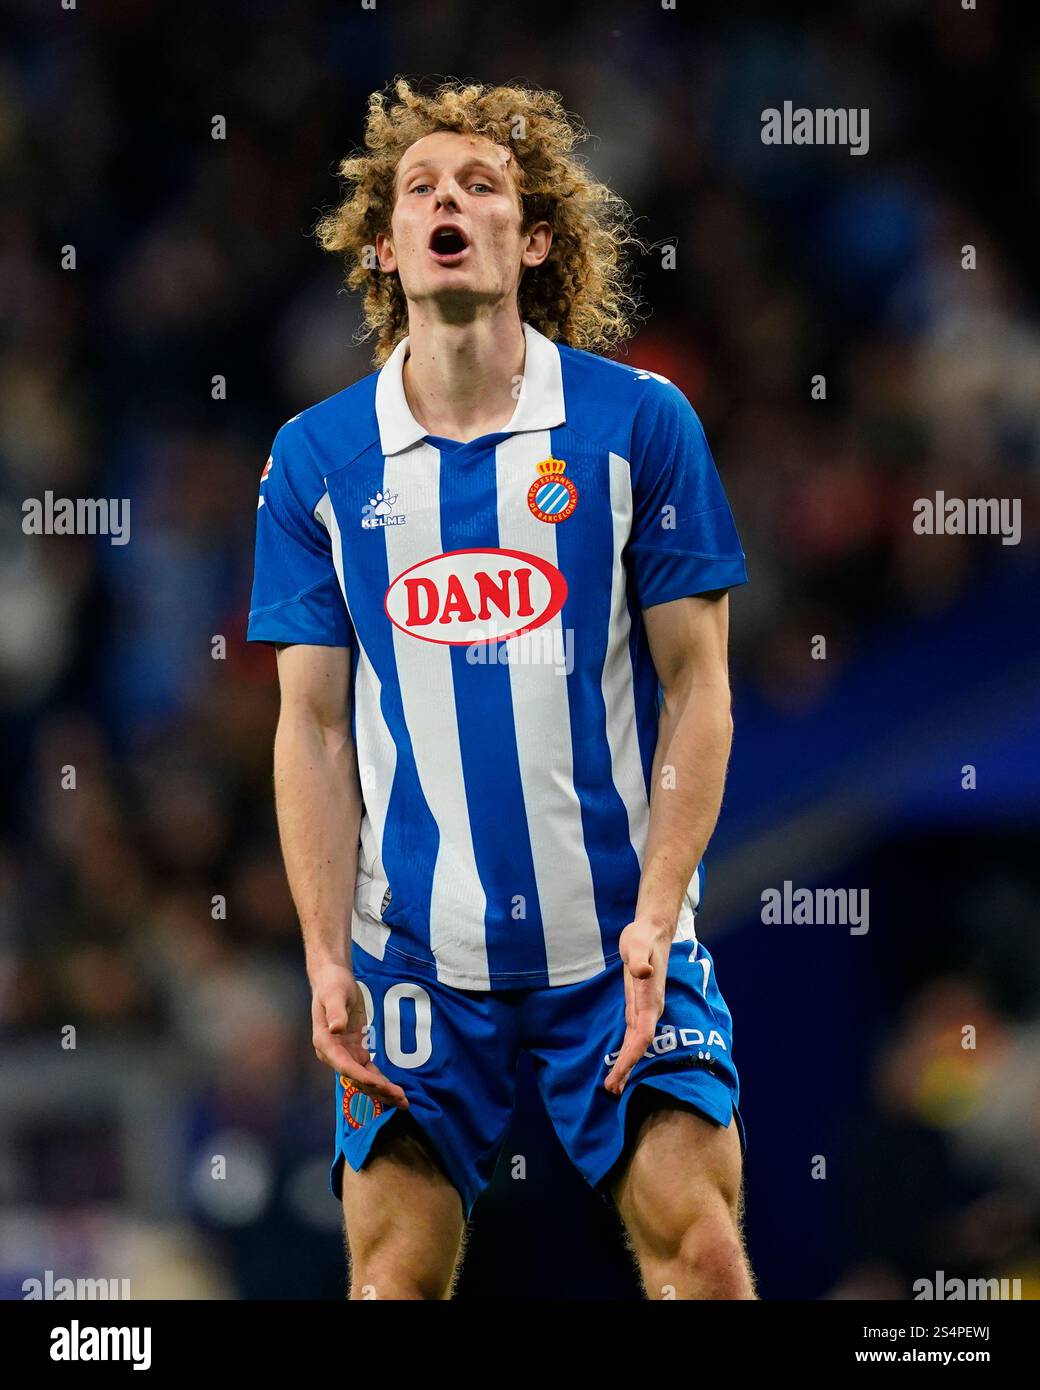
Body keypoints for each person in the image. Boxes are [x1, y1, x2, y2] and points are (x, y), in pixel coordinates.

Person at [248, 77, 755, 1300]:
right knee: (391, 1278)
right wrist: (324, 956)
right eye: (420, 187)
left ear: (530, 241)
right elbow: (311, 729)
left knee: (700, 1248)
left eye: (480, 186)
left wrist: (661, 910)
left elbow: (700, 692)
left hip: (615, 941)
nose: (447, 201)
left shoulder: (638, 423)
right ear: (386, 245)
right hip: (415, 948)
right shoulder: (316, 459)